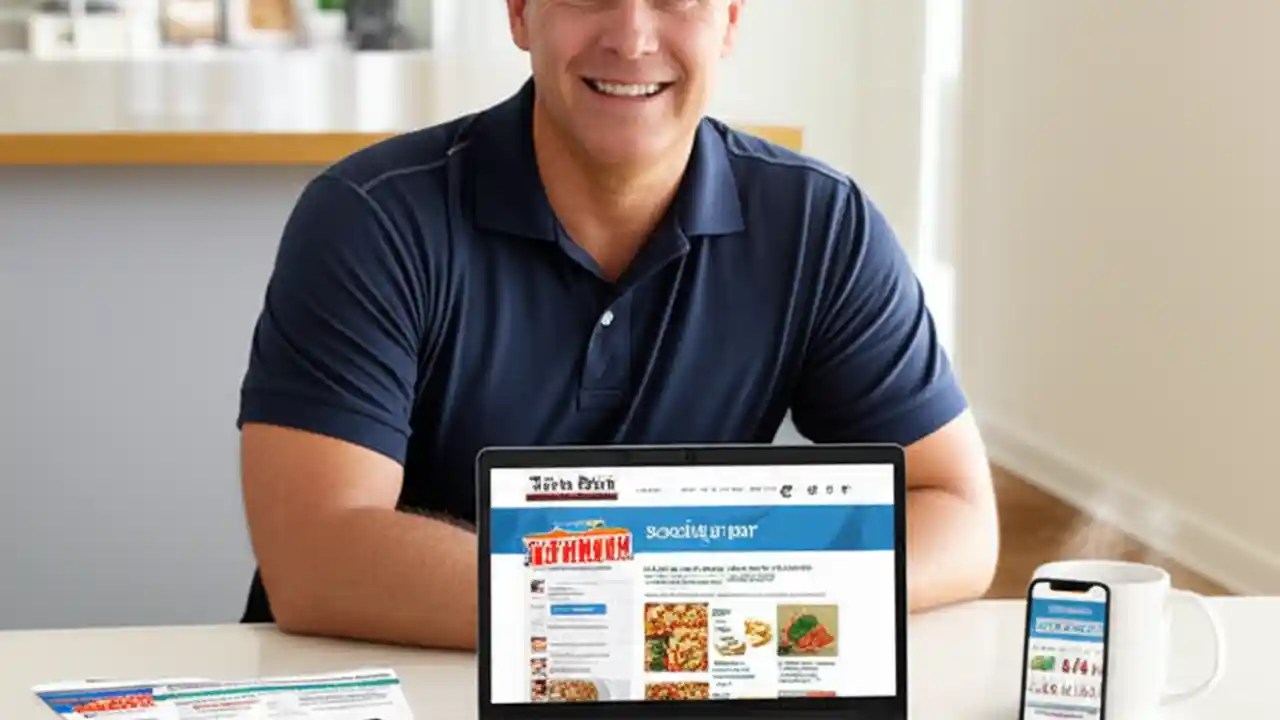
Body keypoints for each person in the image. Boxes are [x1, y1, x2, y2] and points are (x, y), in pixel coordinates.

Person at [236, 0, 998, 650]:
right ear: (519, 12)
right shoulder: (372, 218)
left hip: (678, 676)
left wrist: (692, 613)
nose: (632, 38)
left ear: (729, 21)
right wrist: (658, 608)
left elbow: (958, 518)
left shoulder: (819, 226)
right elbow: (315, 556)